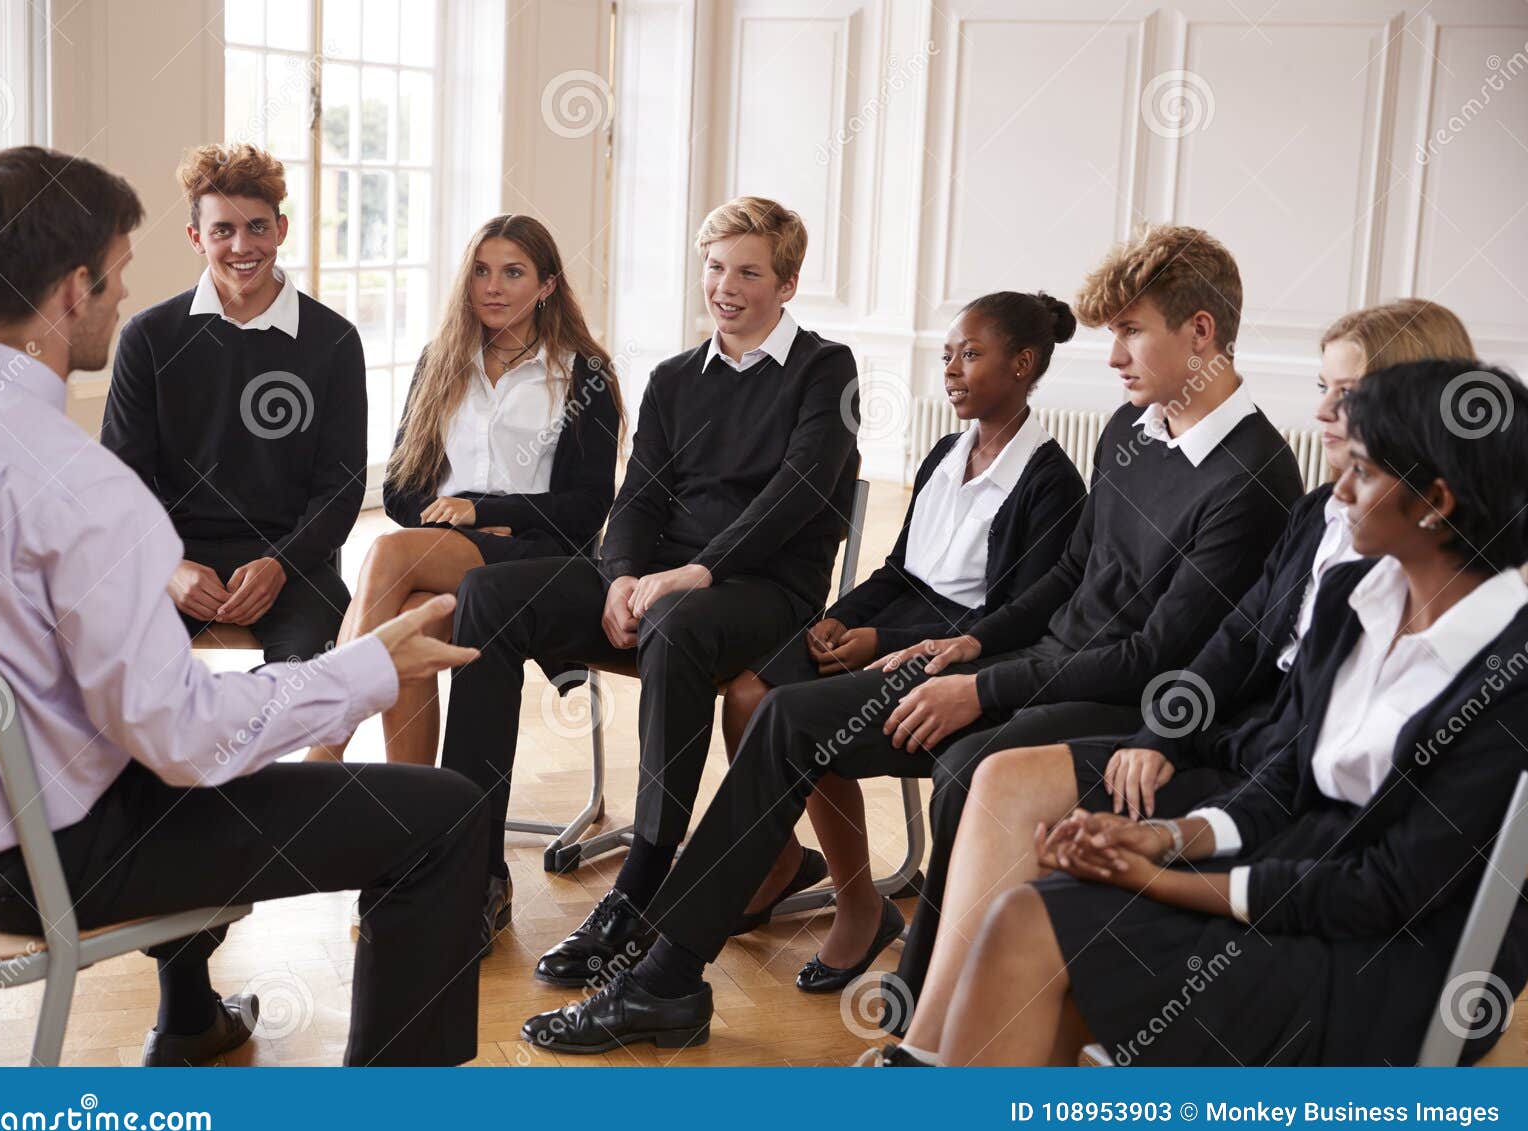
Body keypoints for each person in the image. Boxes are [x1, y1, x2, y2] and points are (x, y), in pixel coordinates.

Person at [517, 224, 1307, 1053]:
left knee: (966, 769)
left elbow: (1155, 657)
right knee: (786, 718)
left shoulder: (1252, 478)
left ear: (1202, 334)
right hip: (1026, 665)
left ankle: (921, 1018)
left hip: (1116, 701)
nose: (1115, 356)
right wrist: (969, 645)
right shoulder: (1129, 430)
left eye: (1132, 331)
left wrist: (980, 684)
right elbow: (1066, 578)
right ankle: (664, 981)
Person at [0, 146, 488, 1068]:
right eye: (115, 275)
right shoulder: (86, 492)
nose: (119, 298)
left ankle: (188, 1017)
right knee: (449, 813)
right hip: (51, 859)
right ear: (73, 290)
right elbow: (186, 741)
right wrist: (369, 666)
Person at [873, 298, 1478, 1064]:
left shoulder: (1413, 586)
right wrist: (1164, 730)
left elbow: (1356, 830)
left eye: (1345, 395)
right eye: (1323, 387)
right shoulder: (1321, 513)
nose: (1322, 410)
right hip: (1240, 750)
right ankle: (926, 1047)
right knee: (999, 777)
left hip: (1276, 803)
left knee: (1038, 896)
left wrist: (1167, 846)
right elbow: (1239, 636)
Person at [442, 196, 860, 980]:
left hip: (768, 591)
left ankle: (641, 881)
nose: (724, 286)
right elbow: (637, 497)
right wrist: (620, 574)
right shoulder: (675, 377)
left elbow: (799, 491)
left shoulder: (825, 369)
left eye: (748, 271)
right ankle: (472, 870)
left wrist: (697, 570)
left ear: (789, 283)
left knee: (679, 618)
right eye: (714, 266)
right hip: (664, 584)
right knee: (488, 598)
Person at [720, 291, 1087, 985]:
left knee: (801, 712)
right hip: (899, 624)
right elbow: (899, 570)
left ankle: (860, 905)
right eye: (947, 354)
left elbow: (1017, 617)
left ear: (1024, 365)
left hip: (967, 656)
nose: (951, 369)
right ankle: (778, 859)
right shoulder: (947, 452)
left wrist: (883, 638)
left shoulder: (1052, 485)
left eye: (971, 355)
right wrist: (841, 617)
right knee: (748, 688)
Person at [303, 215, 620, 777]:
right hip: (450, 549)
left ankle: (320, 754)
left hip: (541, 559)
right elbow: (400, 489)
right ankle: (415, 809)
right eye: (481, 271)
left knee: (387, 552)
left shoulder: (581, 373)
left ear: (547, 286)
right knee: (406, 626)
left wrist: (485, 511)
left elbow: (587, 508)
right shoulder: (441, 360)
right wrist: (461, 528)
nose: (492, 287)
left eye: (512, 272)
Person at [101, 143, 364, 663]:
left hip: (293, 564)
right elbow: (120, 482)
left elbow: (341, 487)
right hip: (174, 560)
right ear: (197, 238)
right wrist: (167, 567)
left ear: (281, 230)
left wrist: (280, 564)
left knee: (311, 683)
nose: (243, 246)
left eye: (258, 227)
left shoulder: (333, 340)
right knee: (108, 666)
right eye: (223, 230)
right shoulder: (148, 337)